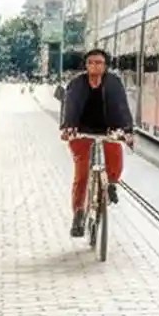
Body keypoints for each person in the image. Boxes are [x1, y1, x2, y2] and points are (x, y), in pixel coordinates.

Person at [59, 49, 134, 238]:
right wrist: (69, 127)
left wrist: (127, 130)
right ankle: (78, 213)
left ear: (105, 65)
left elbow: (121, 107)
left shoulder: (114, 83)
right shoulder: (76, 84)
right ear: (85, 65)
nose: (95, 66)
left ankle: (111, 184)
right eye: (91, 62)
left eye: (99, 62)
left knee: (115, 157)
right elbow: (70, 107)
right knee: (82, 171)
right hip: (81, 132)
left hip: (106, 130)